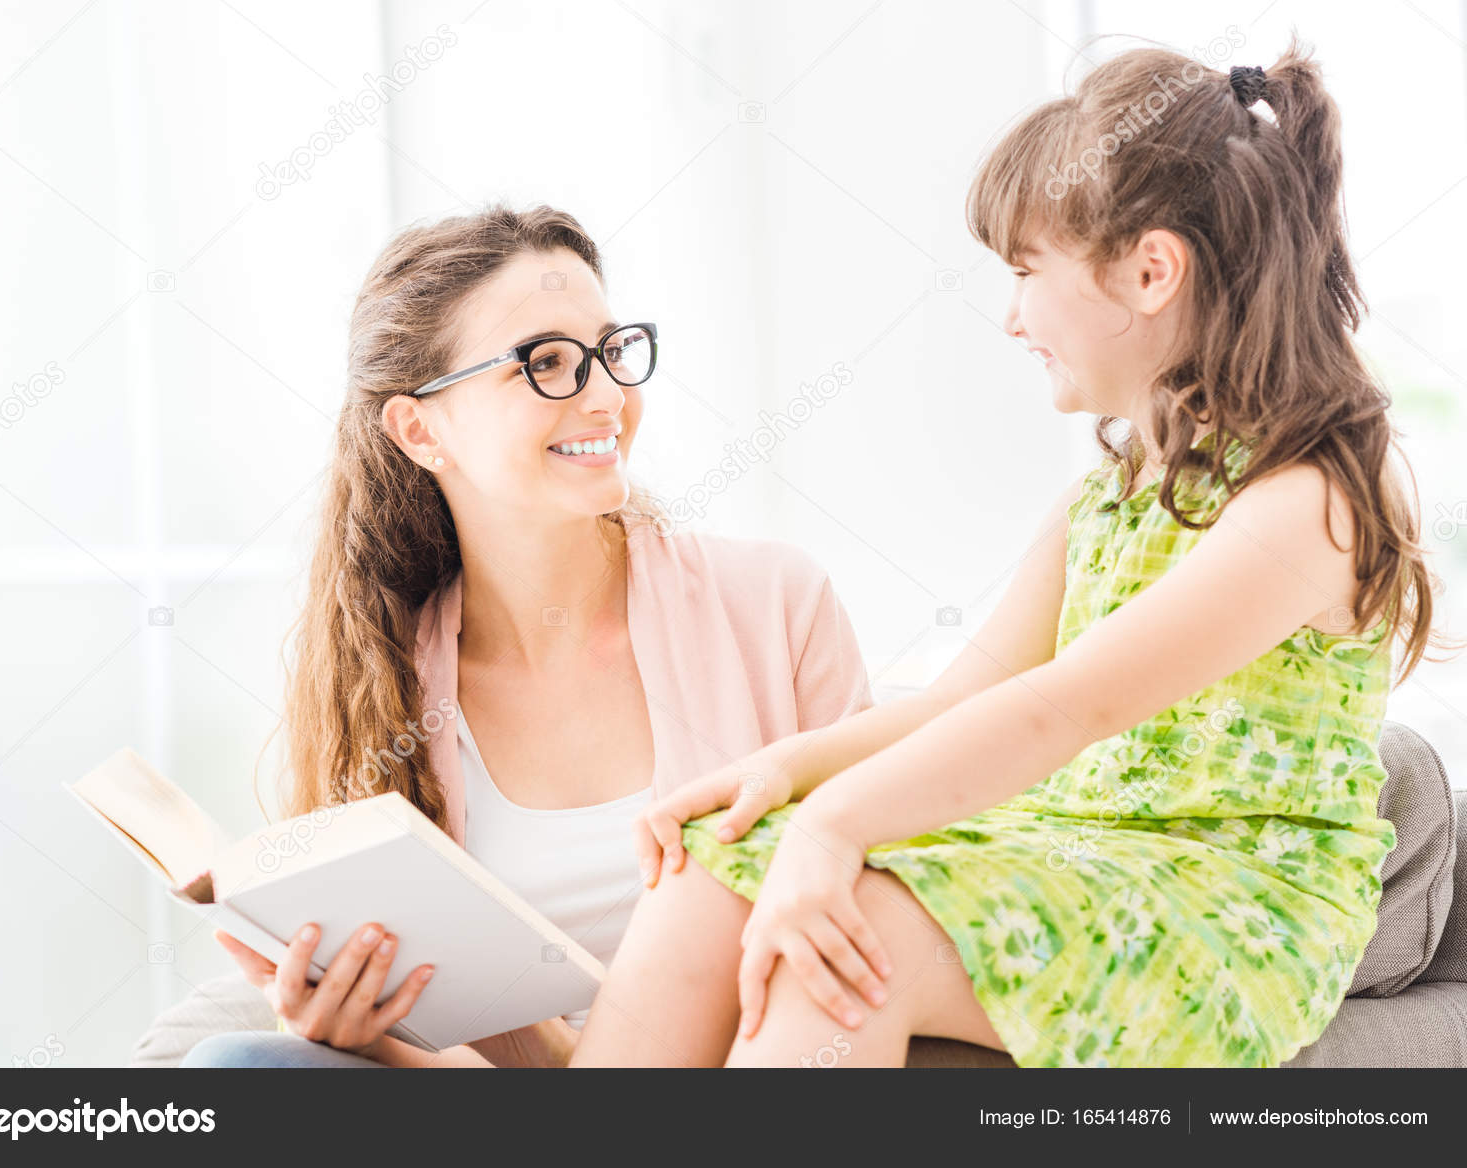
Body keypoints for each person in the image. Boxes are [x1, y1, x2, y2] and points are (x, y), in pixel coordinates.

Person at [570, 37, 1447, 1069]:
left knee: (845, 949)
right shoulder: (1103, 503)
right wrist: (776, 774)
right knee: (703, 878)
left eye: (1026, 272)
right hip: (1087, 851)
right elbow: (962, 697)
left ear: (1151, 271)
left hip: (1234, 904)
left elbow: (1065, 708)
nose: (1011, 316)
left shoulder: (1307, 503)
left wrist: (831, 827)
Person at [181, 205, 870, 1068]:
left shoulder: (774, 604)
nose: (606, 397)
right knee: (238, 1066)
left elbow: (879, 913)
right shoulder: (381, 676)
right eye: (545, 362)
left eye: (610, 351)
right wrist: (357, 1030)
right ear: (420, 430)